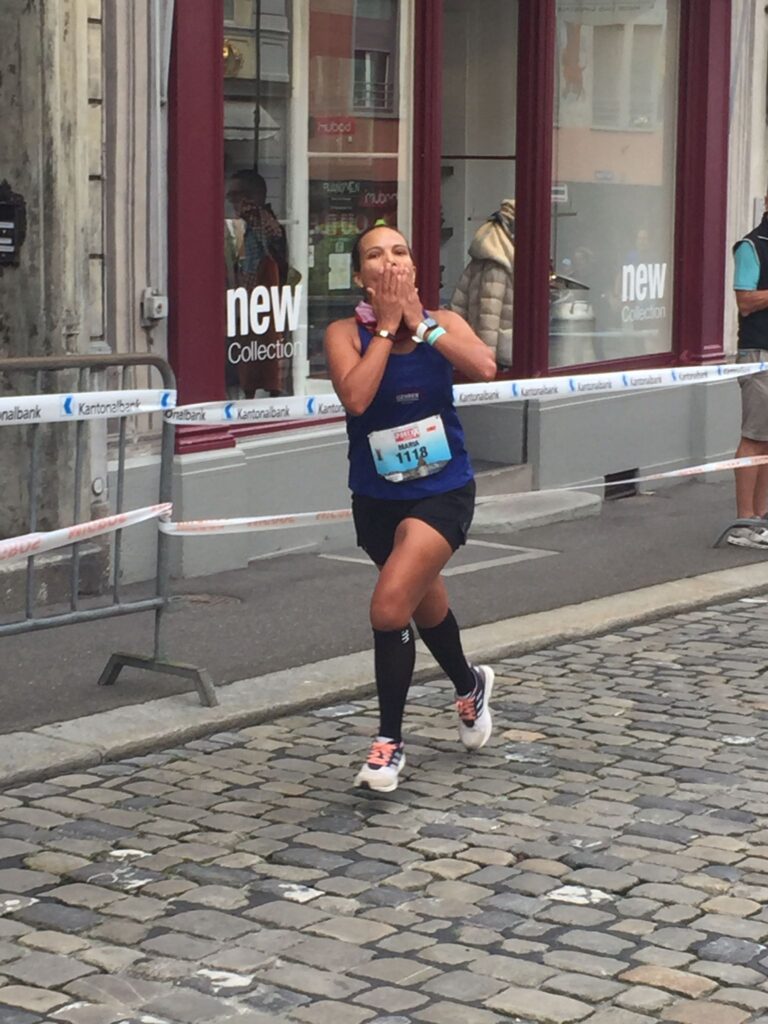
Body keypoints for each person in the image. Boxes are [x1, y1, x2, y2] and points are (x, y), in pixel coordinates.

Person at [324, 225, 498, 792]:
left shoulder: (443, 324)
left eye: (401, 251)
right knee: (423, 604)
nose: (390, 260)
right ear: (360, 277)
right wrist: (386, 332)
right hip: (376, 497)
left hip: (442, 489)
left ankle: (389, 744)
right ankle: (469, 686)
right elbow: (355, 397)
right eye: (376, 255)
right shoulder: (344, 334)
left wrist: (419, 325)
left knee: (389, 605)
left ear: (416, 271)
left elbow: (485, 367)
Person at [225, 169, 290, 398]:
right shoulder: (247, 224)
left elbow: (264, 260)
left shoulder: (260, 222)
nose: (233, 203)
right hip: (250, 303)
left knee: (262, 352)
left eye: (236, 196)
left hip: (260, 302)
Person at [729, 196, 768, 548]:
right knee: (755, 436)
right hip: (759, 354)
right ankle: (744, 523)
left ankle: (761, 518)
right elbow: (745, 302)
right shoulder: (751, 246)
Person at [450, 199, 515, 368]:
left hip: (480, 348)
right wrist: (488, 364)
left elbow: (459, 305)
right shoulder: (498, 262)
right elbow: (489, 319)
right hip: (501, 358)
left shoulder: (485, 251)